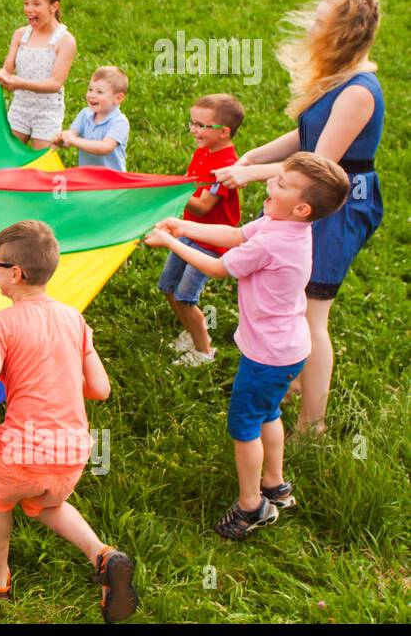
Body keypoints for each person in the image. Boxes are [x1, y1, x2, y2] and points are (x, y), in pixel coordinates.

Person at [0, 221, 138, 623]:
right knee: (47, 502)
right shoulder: (74, 319)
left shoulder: (0, 325)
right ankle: (102, 555)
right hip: (71, 451)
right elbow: (100, 389)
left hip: (21, 450)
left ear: (14, 274)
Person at [145, 153, 349, 539]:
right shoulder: (283, 225)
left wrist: (171, 240)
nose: (269, 184)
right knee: (268, 413)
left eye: (281, 184)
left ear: (302, 207)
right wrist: (184, 226)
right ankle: (275, 484)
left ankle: (251, 505)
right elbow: (237, 235)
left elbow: (217, 268)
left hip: (267, 357)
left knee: (244, 427)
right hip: (288, 349)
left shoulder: (273, 243)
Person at [214, 0, 385, 436]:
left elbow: (319, 165)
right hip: (318, 196)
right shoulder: (339, 79)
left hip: (337, 205)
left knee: (312, 311)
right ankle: (291, 375)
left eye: (321, 21)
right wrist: (255, 155)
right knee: (293, 298)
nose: (311, 26)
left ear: (343, 33)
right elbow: (306, 133)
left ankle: (313, 424)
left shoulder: (358, 92)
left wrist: (251, 174)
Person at [159, 94, 243, 367]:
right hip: (189, 232)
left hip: (209, 241)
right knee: (168, 287)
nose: (193, 129)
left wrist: (170, 194)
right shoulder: (203, 151)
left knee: (185, 297)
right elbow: (189, 186)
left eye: (201, 125)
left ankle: (204, 350)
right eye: (192, 123)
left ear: (224, 132)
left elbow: (204, 206)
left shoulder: (226, 167)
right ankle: (192, 332)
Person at [0, 0, 77, 150]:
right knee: (7, 156)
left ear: (54, 6)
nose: (29, 9)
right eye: (26, 3)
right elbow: (7, 69)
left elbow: (55, 83)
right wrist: (2, 75)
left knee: (42, 163)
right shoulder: (20, 35)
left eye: (36, 4)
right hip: (20, 108)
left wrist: (20, 83)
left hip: (47, 113)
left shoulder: (65, 41)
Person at [57, 66, 129, 171]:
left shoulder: (119, 122)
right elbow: (70, 137)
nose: (92, 95)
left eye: (99, 92)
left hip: (112, 178)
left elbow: (105, 147)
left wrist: (73, 140)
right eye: (90, 89)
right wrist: (60, 140)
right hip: (87, 175)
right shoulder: (85, 114)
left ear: (118, 98)